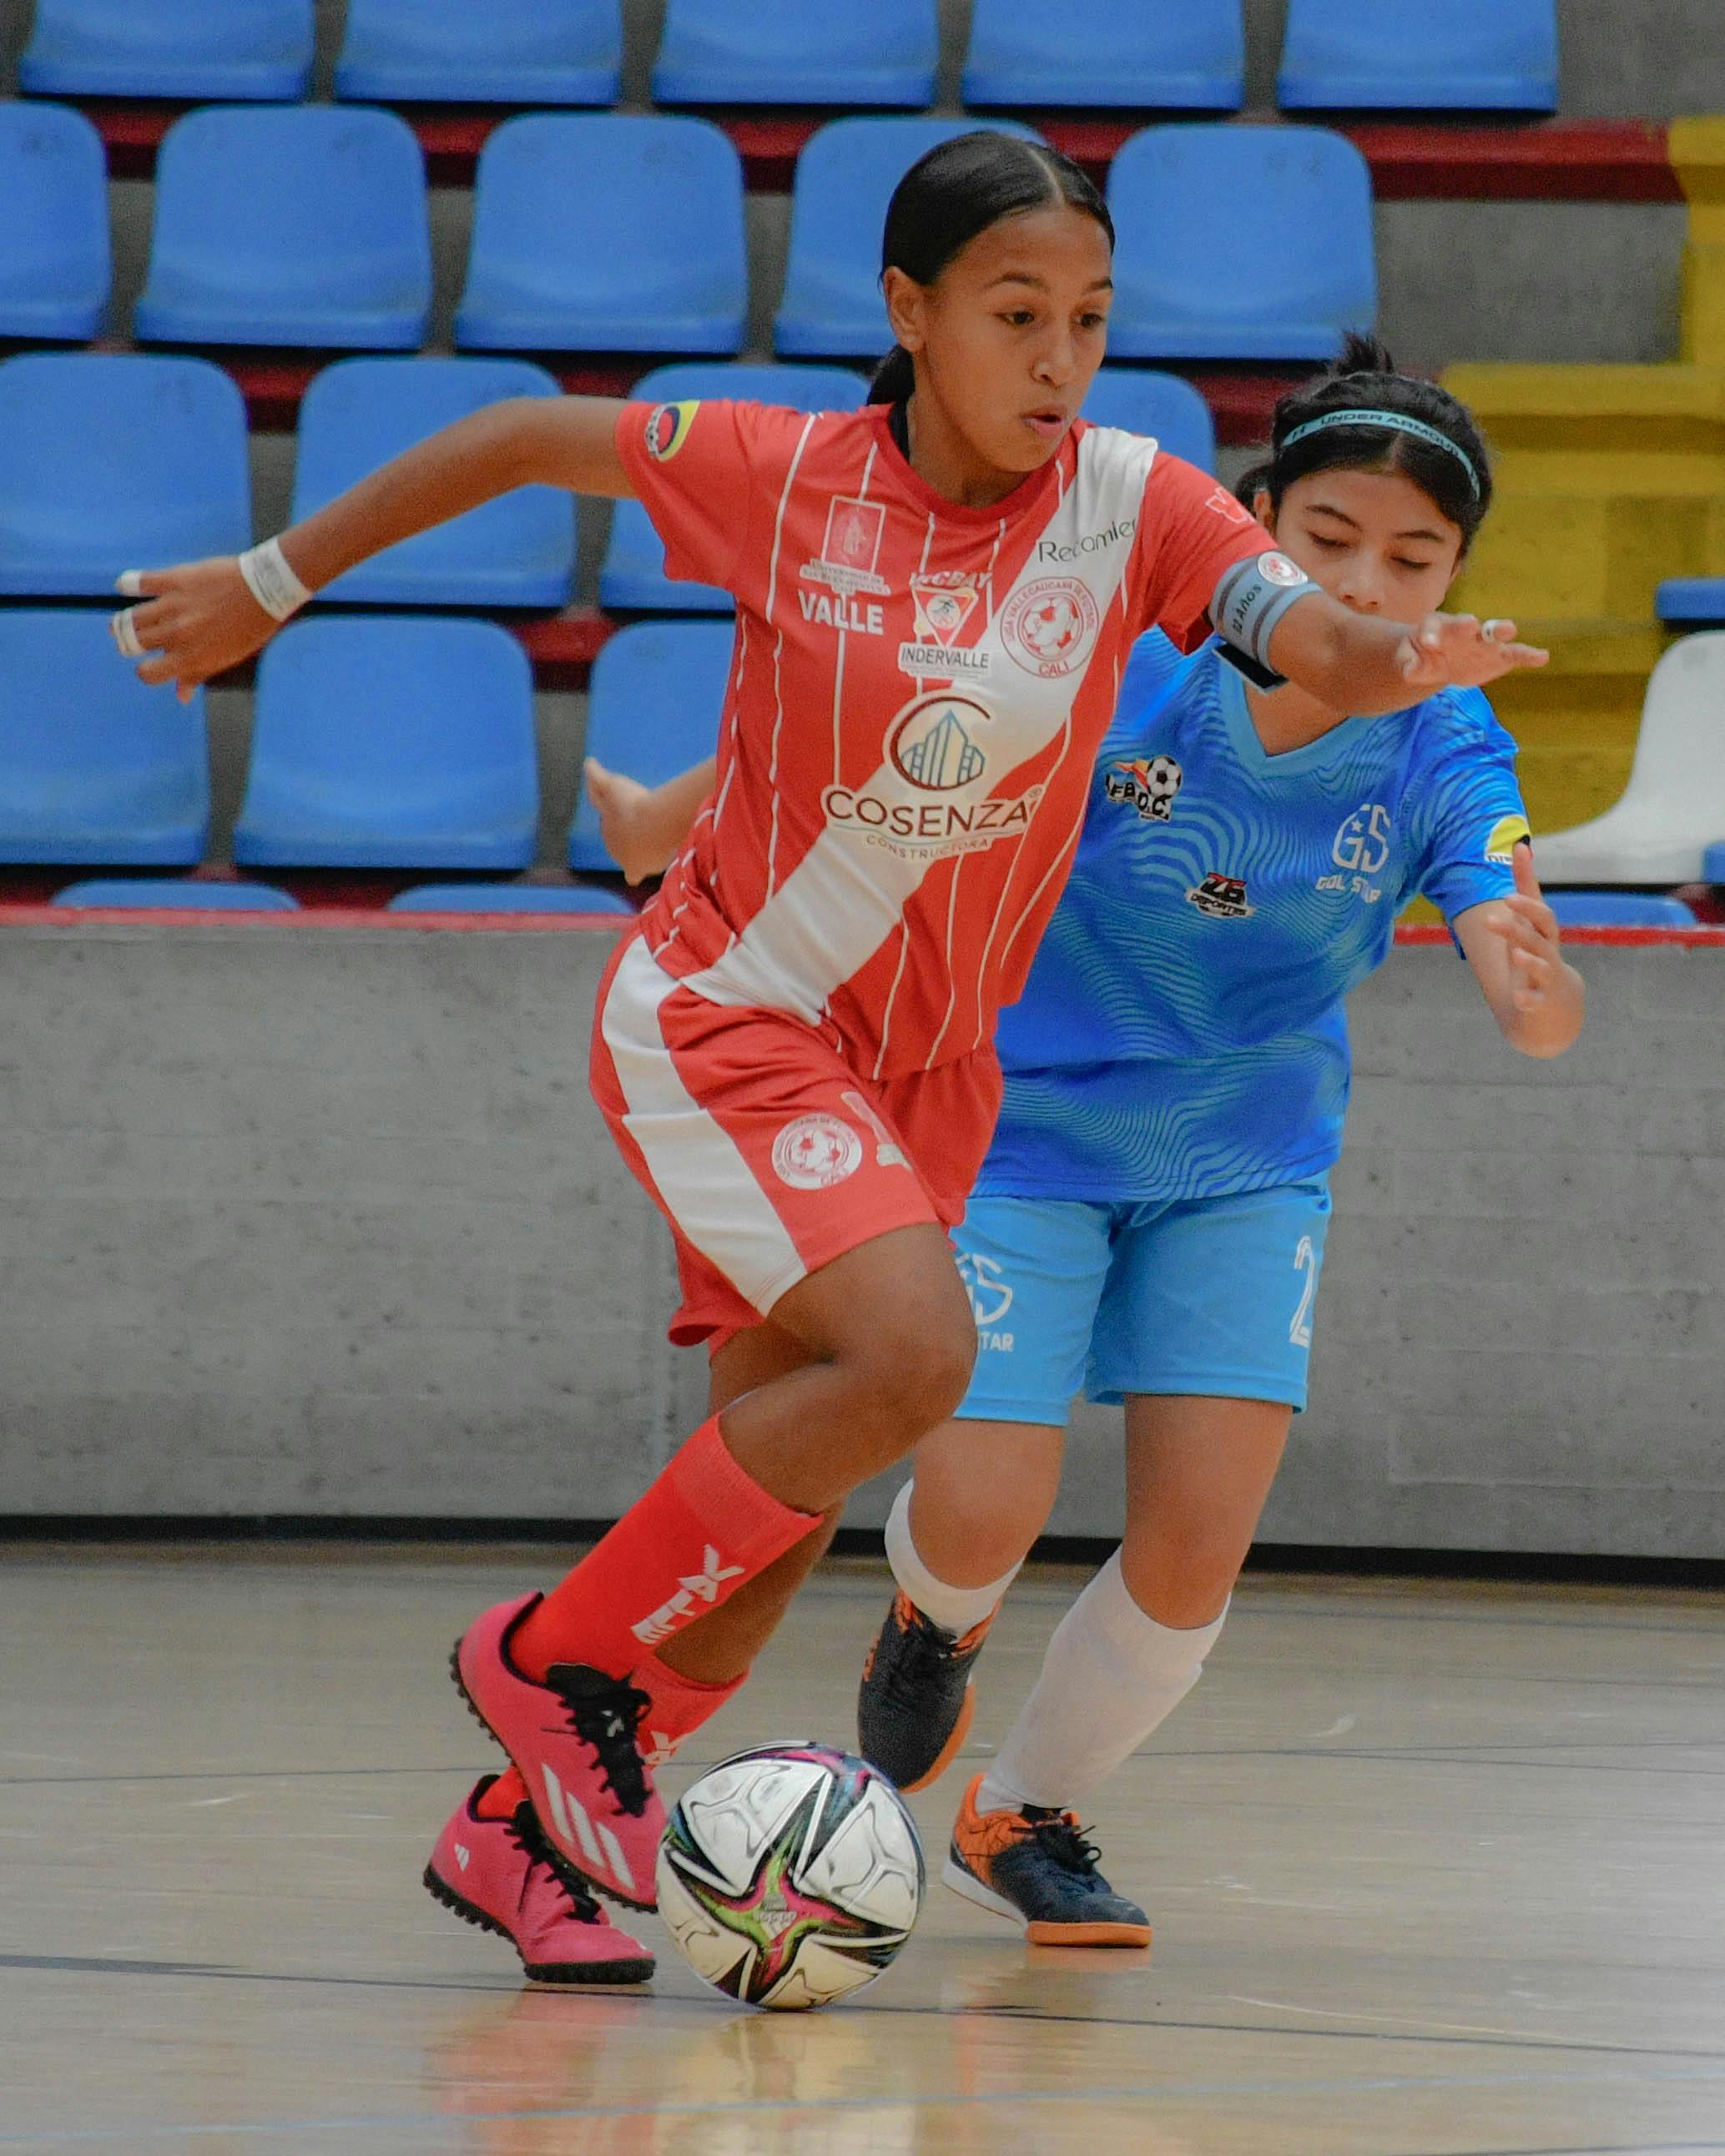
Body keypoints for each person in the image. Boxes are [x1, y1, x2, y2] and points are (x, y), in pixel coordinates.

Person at [113, 131, 1547, 1989]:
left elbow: (1307, 634)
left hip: (923, 1078)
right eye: (1014, 314)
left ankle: (519, 1833)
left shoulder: (1131, 501)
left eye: (1089, 321)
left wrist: (1389, 649)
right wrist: (274, 574)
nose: (1056, 358)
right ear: (908, 311)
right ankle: (550, 1663)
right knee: (915, 1356)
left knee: (777, 1506)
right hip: (733, 1014)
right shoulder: (783, 476)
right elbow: (526, 435)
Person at [592, 338, 1585, 1953]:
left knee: (1196, 1540)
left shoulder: (1442, 736)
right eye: (1326, 537)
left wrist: (1522, 980)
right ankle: (934, 1612)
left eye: (1412, 558)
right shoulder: (1131, 659)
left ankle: (1021, 1808)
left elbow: (1506, 920)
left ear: (1455, 577)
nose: (1367, 580)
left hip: (1245, 1156)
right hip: (1016, 1127)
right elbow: (874, 737)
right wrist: (661, 826)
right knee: (982, 1500)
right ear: (1255, 528)